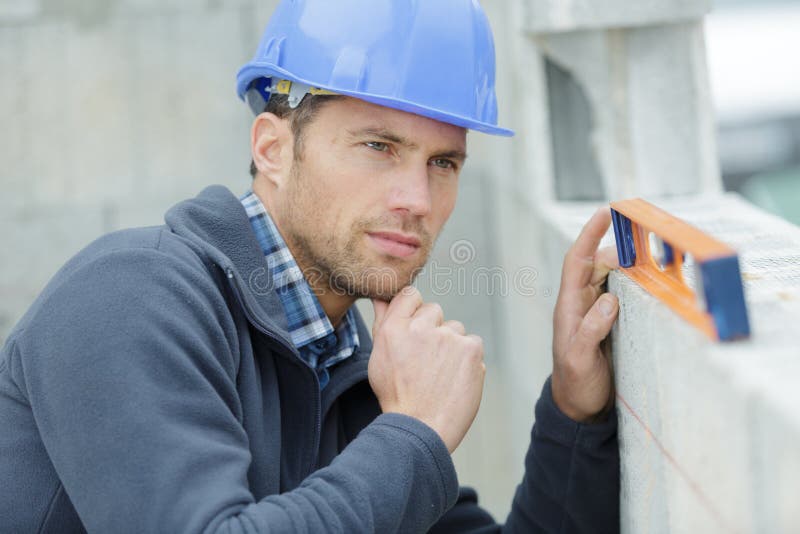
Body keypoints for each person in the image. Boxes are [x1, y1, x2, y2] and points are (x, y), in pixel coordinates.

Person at [0, 1, 620, 532]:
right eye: (378, 146)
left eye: (443, 163)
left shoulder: (345, 363)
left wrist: (574, 406)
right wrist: (413, 429)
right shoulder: (130, 297)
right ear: (272, 149)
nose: (418, 201)